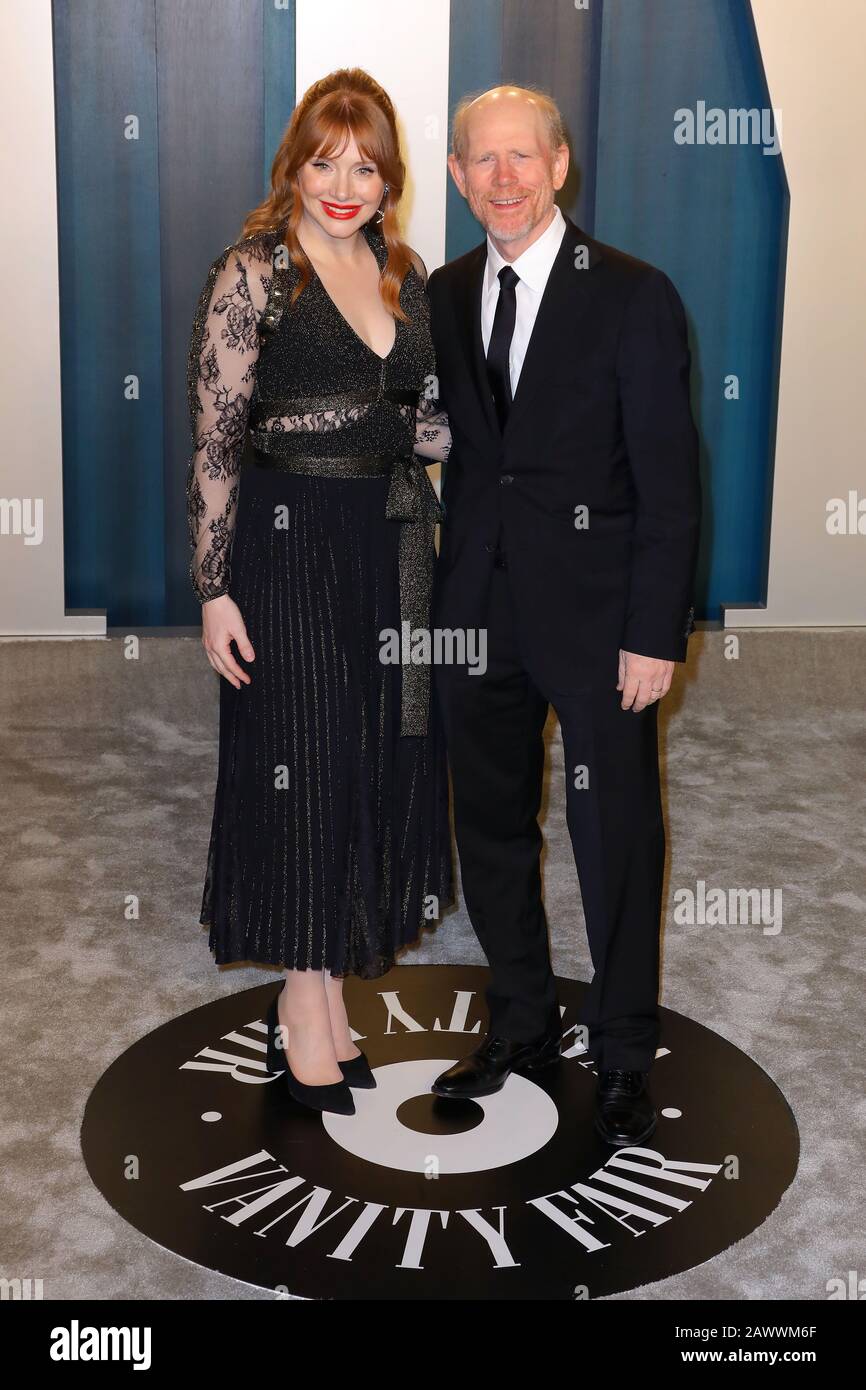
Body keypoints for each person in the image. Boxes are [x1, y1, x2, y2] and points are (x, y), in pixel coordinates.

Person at [426, 86, 701, 1146]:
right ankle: (523, 1020)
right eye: (482, 162)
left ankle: (624, 1047)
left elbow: (670, 484)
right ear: (457, 177)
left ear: (560, 164)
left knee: (613, 835)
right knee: (489, 827)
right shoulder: (446, 294)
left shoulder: (631, 294)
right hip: (476, 612)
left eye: (521, 158)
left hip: (599, 628)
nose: (503, 179)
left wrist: (651, 631)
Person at [185, 68, 453, 1116]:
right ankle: (301, 1008)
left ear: (388, 181)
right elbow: (215, 441)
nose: (343, 184)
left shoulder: (404, 272)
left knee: (374, 762)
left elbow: (426, 426)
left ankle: (329, 997)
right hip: (288, 547)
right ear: (291, 166)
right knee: (302, 762)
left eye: (365, 165)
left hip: (393, 550)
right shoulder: (254, 271)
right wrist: (213, 586)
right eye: (324, 161)